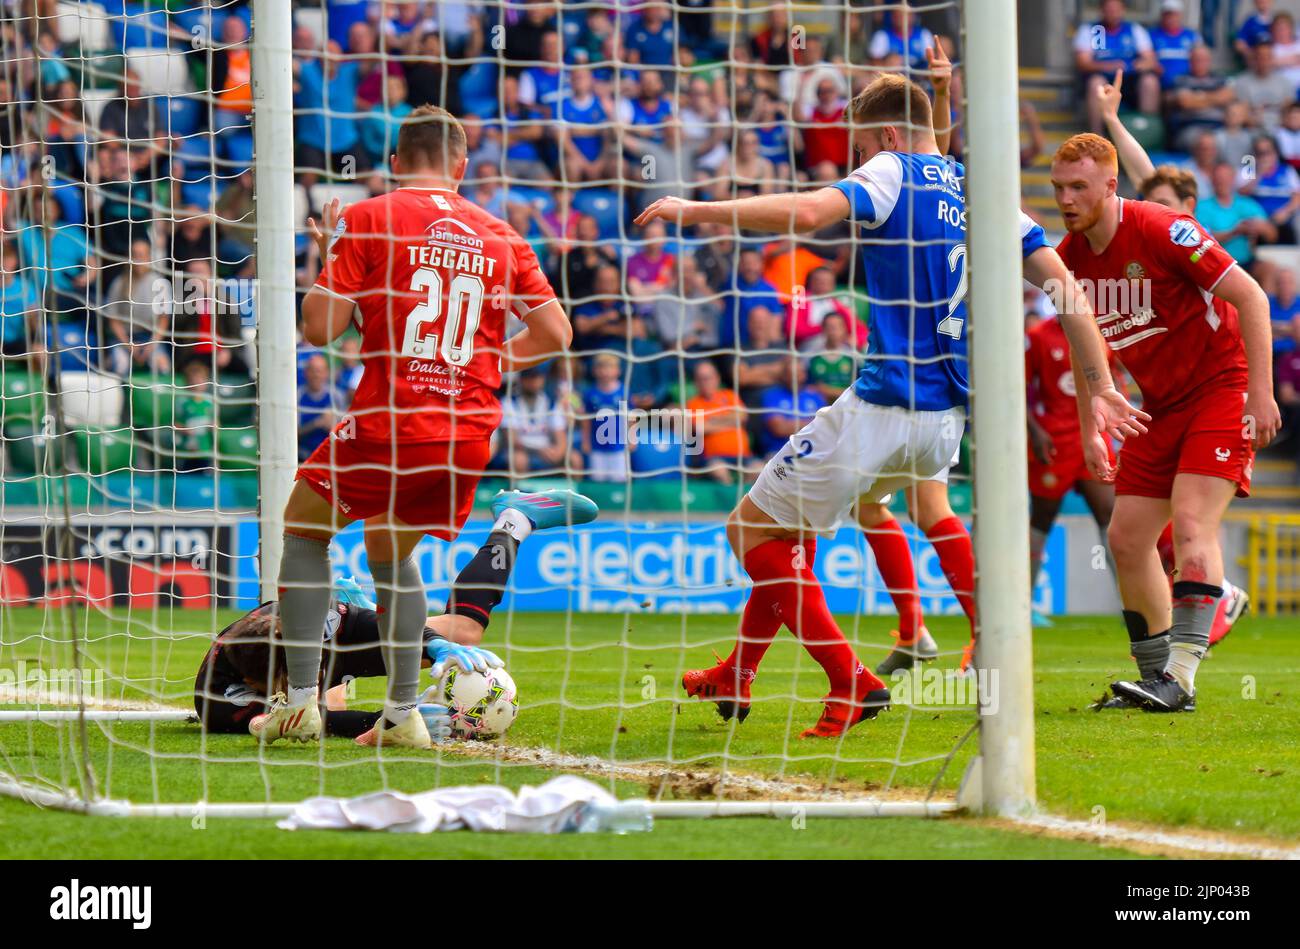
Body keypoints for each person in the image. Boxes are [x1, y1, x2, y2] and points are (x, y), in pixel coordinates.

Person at [635, 69, 1144, 737]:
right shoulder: (985, 188)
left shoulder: (891, 170)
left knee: (749, 530)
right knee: (798, 531)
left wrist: (695, 211)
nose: (854, 159)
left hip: (886, 401)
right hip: (944, 424)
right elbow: (1069, 294)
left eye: (859, 144)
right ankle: (742, 669)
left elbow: (813, 213)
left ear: (887, 135)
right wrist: (1101, 386)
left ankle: (850, 680)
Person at [251, 106, 574, 748]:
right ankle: (401, 717)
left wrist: (329, 256)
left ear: (396, 163)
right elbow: (557, 334)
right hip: (466, 429)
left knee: (305, 533)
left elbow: (320, 330)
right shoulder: (503, 236)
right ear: (461, 166)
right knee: (392, 556)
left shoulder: (369, 218)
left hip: (391, 419)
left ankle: (301, 703)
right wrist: (487, 359)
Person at [1051, 132, 1279, 713]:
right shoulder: (1066, 261)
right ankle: (1154, 679)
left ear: (1110, 184)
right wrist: (1090, 430)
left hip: (1221, 389)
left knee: (1190, 523)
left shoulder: (1161, 228)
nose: (1067, 199)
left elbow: (1252, 296)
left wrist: (1260, 392)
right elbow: (1087, 353)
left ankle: (1180, 677)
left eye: (1079, 187)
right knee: (1126, 539)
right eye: (1058, 188)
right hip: (1157, 406)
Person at [198, 488, 597, 737]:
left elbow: (385, 630)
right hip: (314, 645)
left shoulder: (316, 625)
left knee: (461, 633)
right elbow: (322, 722)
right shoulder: (221, 704)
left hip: (335, 625)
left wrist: (436, 646)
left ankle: (516, 520)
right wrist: (385, 717)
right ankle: (513, 522)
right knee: (324, 710)